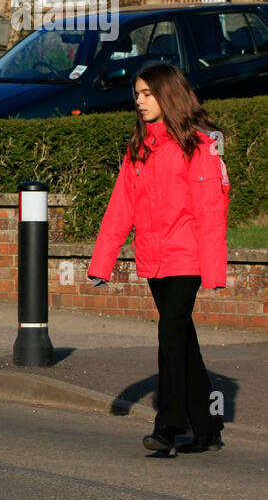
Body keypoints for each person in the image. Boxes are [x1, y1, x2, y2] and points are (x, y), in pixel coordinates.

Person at [88, 62, 228, 455]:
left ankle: (168, 424)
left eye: (147, 94)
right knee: (184, 340)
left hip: (186, 259)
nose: (139, 101)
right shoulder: (139, 148)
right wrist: (103, 262)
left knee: (170, 336)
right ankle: (208, 425)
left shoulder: (198, 147)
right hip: (153, 258)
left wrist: (214, 270)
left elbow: (210, 211)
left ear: (167, 96)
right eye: (137, 94)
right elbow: (121, 207)